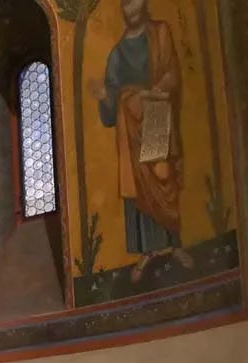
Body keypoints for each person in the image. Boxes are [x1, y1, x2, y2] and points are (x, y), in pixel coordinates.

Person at [90, 0, 190, 281]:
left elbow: (172, 71)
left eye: (134, 6)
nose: (129, 12)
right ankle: (146, 253)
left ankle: (175, 244)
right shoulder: (118, 52)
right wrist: (105, 99)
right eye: (125, 8)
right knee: (137, 187)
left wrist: (158, 90)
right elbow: (110, 96)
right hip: (130, 125)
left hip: (157, 113)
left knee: (162, 177)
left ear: (144, 7)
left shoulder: (160, 33)